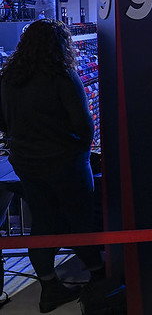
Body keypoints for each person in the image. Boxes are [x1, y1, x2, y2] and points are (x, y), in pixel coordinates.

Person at [0, 20, 104, 312]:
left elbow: (2, 122)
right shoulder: (63, 74)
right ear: (60, 44)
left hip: (25, 162)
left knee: (43, 221)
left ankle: (49, 286)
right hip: (65, 162)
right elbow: (84, 126)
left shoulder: (8, 77)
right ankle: (98, 277)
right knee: (80, 220)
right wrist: (82, 154)